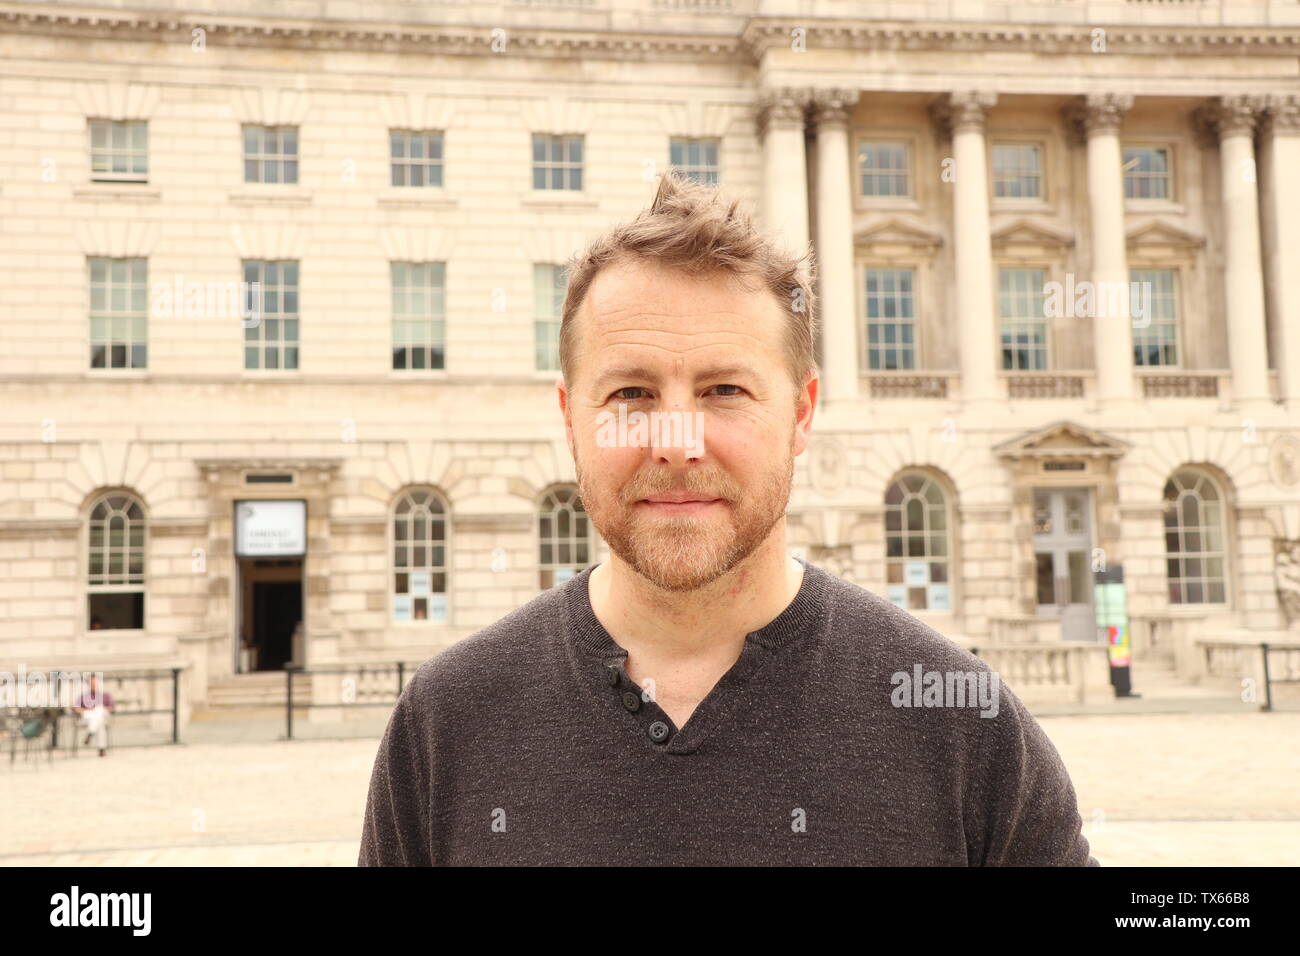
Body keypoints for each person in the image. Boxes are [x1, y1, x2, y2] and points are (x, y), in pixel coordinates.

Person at [358, 172, 1099, 866]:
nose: (677, 444)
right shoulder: (446, 722)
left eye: (723, 390)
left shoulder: (960, 723)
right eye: (631, 395)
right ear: (569, 418)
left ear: (801, 413)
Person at [72, 674, 114, 757]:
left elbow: (111, 708)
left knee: (100, 712)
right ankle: (101, 749)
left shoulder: (105, 695)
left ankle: (90, 733)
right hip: (88, 717)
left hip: (101, 716)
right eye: (92, 683)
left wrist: (97, 709)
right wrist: (90, 710)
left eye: (95, 683)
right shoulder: (83, 696)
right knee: (99, 719)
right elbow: (76, 709)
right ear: (88, 684)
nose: (93, 685)